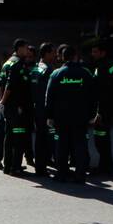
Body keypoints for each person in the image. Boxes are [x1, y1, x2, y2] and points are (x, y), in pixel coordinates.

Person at [45, 43, 96, 182]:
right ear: (75, 56)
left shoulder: (56, 74)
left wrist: (49, 116)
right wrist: (92, 115)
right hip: (81, 117)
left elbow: (49, 97)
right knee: (79, 144)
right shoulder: (86, 73)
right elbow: (93, 97)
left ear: (62, 57)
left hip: (61, 117)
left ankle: (61, 173)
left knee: (61, 145)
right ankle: (80, 174)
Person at [0, 41, 36, 175]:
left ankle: (8, 166)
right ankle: (15, 167)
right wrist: (4, 101)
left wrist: (1, 102)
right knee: (18, 137)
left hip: (9, 107)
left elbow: (0, 84)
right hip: (17, 107)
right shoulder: (18, 64)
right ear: (19, 48)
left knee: (10, 136)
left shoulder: (8, 62)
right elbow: (9, 86)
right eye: (25, 48)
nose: (28, 51)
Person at [88, 40, 113, 175]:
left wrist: (99, 112)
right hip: (111, 107)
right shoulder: (112, 64)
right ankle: (107, 165)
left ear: (103, 53)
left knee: (101, 139)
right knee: (104, 138)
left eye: (95, 51)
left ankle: (105, 167)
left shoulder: (102, 68)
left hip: (104, 110)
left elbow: (103, 92)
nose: (92, 54)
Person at [30, 43, 57, 176]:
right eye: (53, 53)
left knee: (40, 137)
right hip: (45, 110)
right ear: (46, 54)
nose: (55, 55)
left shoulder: (36, 68)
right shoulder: (48, 70)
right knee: (45, 138)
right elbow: (50, 93)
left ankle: (42, 164)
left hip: (36, 108)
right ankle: (41, 167)